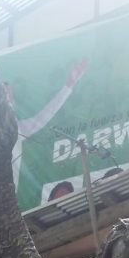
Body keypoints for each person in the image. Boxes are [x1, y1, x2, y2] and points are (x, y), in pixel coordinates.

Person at [6, 58, 89, 194]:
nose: (7, 100)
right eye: (3, 96)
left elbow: (48, 112)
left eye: (9, 96)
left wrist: (69, 85)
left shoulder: (19, 130)